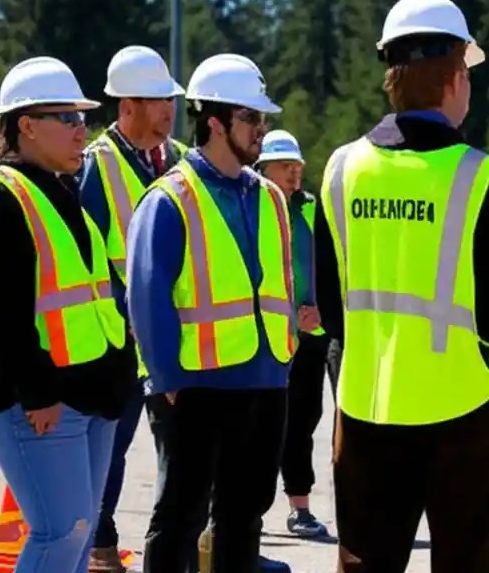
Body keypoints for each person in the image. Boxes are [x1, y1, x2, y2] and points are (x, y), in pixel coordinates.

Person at [315, 0, 489, 573]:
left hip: (365, 413)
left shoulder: (341, 170)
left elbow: (332, 305)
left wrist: (352, 378)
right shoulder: (476, 176)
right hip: (463, 415)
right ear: (452, 79)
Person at [128, 53, 297, 573]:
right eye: (251, 119)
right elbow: (147, 292)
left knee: (245, 516)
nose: (261, 131)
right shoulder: (170, 198)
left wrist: (284, 361)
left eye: (263, 119)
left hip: (265, 381)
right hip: (197, 387)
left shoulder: (270, 195)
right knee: (179, 515)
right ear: (215, 122)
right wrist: (168, 378)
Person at [0, 57, 137, 573]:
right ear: (26, 125)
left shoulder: (62, 190)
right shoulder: (0, 199)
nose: (82, 131)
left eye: (83, 119)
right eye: (67, 118)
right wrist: (38, 392)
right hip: (40, 403)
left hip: (90, 393)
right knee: (60, 533)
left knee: (77, 532)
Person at [76, 45, 188, 573]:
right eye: (157, 100)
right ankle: (100, 543)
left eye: (170, 99)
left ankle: (176, 548)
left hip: (174, 336)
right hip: (118, 337)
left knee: (181, 454)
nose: (169, 109)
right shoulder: (94, 167)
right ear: (127, 106)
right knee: (109, 451)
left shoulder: (183, 160)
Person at [255, 129, 331, 539]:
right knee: (256, 425)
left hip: (309, 336)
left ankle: (299, 507)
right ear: (262, 167)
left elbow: (328, 266)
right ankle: (242, 512)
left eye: (297, 167)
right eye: (285, 166)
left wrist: (320, 309)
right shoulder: (249, 205)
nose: (293, 174)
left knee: (302, 421)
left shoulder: (313, 210)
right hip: (260, 337)